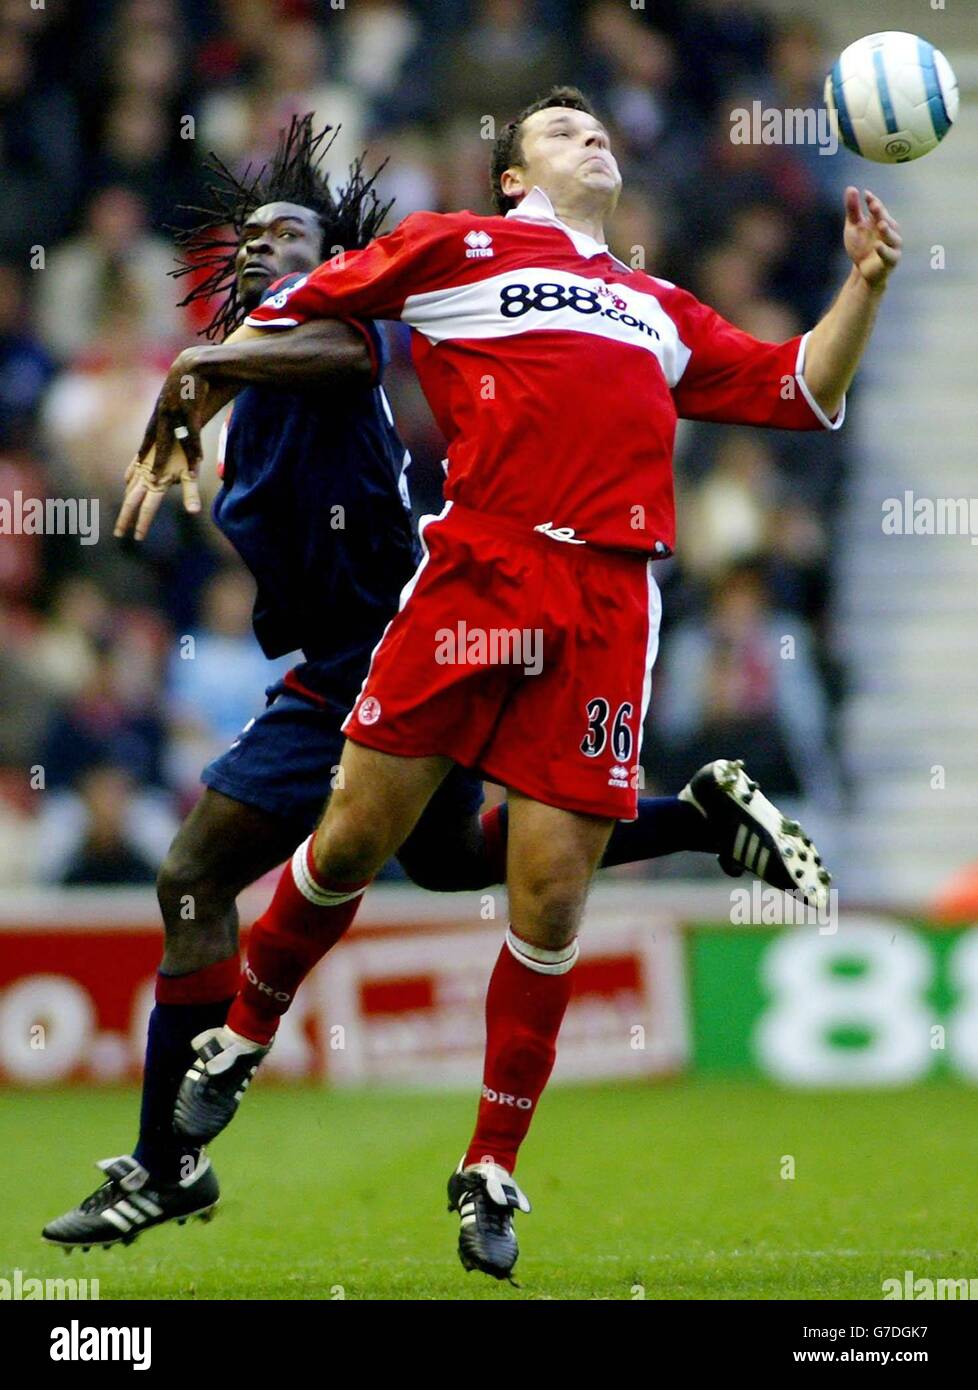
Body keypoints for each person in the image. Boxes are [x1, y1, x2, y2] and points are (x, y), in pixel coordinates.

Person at [43, 114, 825, 1254]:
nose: (273, 254)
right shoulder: (256, 368)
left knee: (199, 872)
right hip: (353, 648)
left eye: (296, 236)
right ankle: (695, 817)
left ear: (339, 252)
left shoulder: (329, 334)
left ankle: (170, 1162)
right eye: (254, 242)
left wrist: (200, 367)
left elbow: (347, 353)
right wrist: (199, 393)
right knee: (457, 857)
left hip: (403, 637)